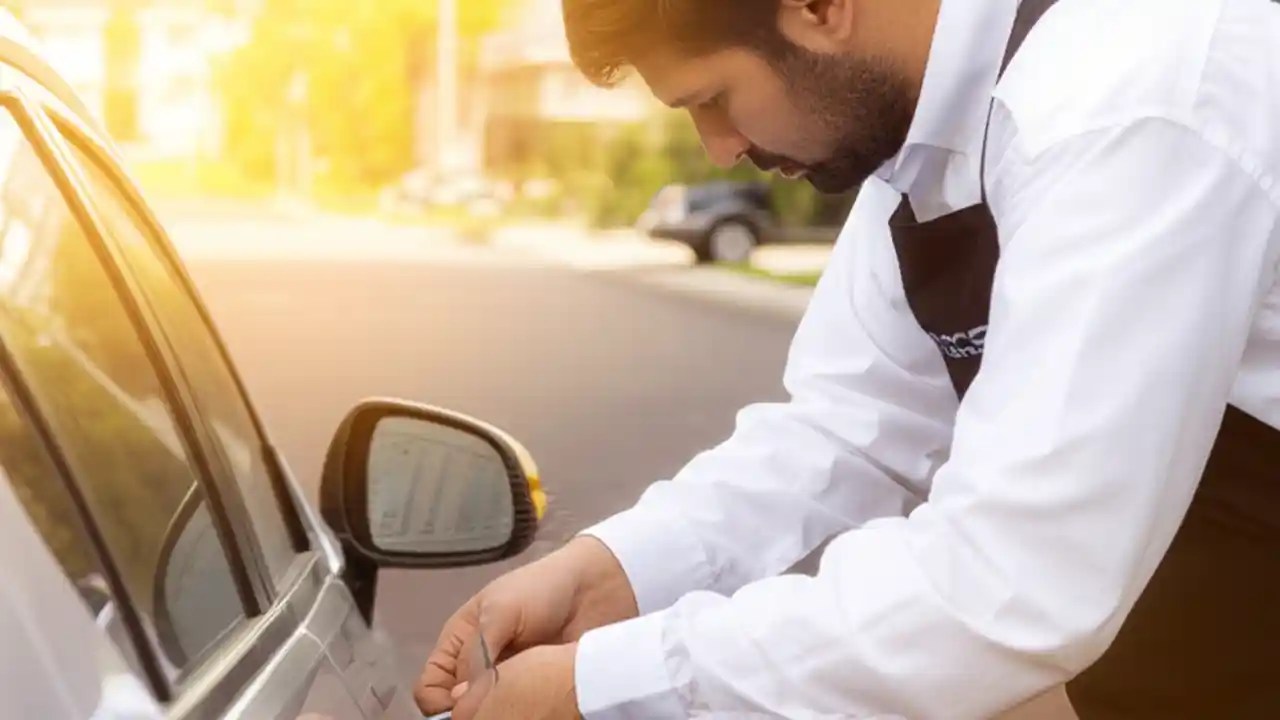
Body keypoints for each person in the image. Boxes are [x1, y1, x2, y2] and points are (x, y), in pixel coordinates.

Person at [417, 0, 1280, 717]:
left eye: (713, 98)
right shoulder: (922, 140)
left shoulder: (1127, 104)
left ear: (821, 8)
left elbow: (1010, 585)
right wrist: (612, 574)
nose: (718, 147)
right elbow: (849, 431)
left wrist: (598, 689)